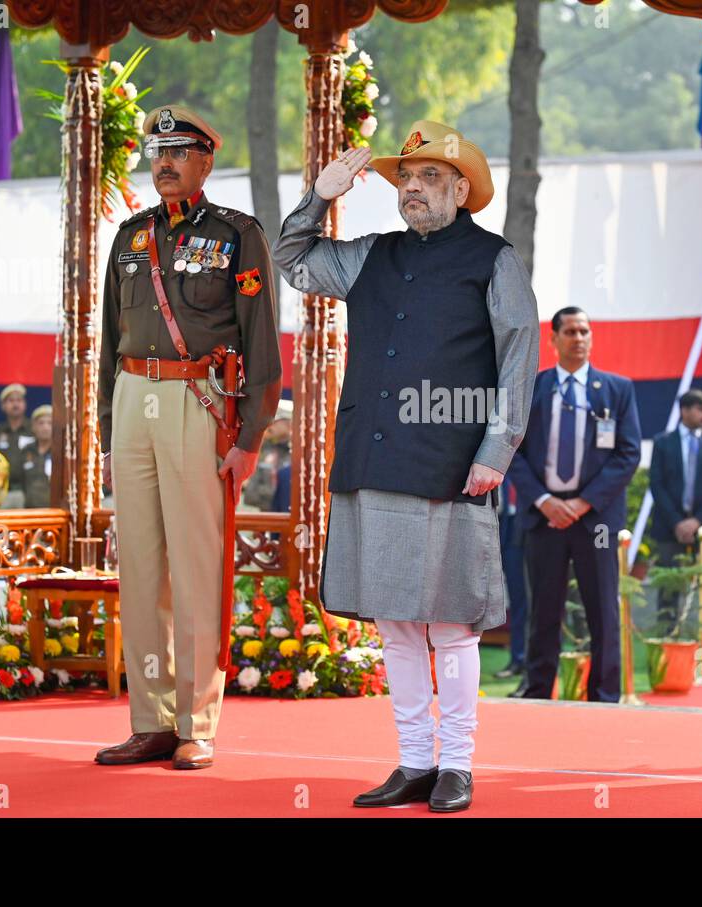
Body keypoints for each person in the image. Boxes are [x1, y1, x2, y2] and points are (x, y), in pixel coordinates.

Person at [274, 121, 538, 812]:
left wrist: (495, 449)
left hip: (455, 464)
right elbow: (293, 261)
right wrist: (319, 195)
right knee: (395, 623)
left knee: (451, 623)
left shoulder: (493, 258)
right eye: (406, 179)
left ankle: (457, 763)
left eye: (428, 178)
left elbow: (518, 360)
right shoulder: (372, 255)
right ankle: (415, 761)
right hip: (375, 457)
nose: (413, 189)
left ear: (461, 189)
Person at [95, 103, 282, 771]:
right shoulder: (130, 236)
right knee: (140, 569)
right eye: (157, 152)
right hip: (133, 394)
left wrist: (252, 434)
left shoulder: (238, 235)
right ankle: (150, 721)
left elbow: (262, 340)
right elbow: (107, 342)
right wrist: (108, 432)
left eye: (179, 152)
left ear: (205, 160)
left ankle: (197, 721)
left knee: (198, 568)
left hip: (198, 399)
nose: (165, 162)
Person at [507, 307, 641, 703]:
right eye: (570, 331)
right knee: (543, 612)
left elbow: (627, 454)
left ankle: (604, 695)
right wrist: (546, 501)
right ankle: (537, 692)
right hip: (543, 518)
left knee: (602, 611)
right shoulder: (531, 389)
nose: (579, 338)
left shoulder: (616, 390)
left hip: (594, 520)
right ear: (553, 340)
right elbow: (511, 450)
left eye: (585, 331)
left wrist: (583, 503)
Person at [648, 388, 702, 626]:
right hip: (669, 528)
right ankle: (666, 639)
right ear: (684, 410)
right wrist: (677, 522)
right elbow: (657, 484)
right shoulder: (662, 443)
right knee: (669, 586)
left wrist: (697, 521)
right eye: (701, 409)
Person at [491, 475, 529, 679]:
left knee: (534, 598)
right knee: (517, 599)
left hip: (531, 524)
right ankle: (518, 658)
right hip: (504, 526)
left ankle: (532, 659)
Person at [242, 398, 292, 511]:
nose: (270, 425)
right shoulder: (262, 447)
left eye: (275, 421)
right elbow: (252, 495)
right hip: (267, 514)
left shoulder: (300, 451)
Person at [0, 384, 36, 506]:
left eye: (19, 400)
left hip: (28, 491)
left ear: (25, 404)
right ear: (3, 406)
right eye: (11, 401)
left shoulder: (34, 429)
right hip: (3, 491)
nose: (15, 404)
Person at [20, 404, 54, 508]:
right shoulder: (26, 450)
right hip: (29, 508)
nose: (45, 427)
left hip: (53, 509)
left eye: (50, 423)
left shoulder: (62, 451)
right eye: (41, 423)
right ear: (33, 427)